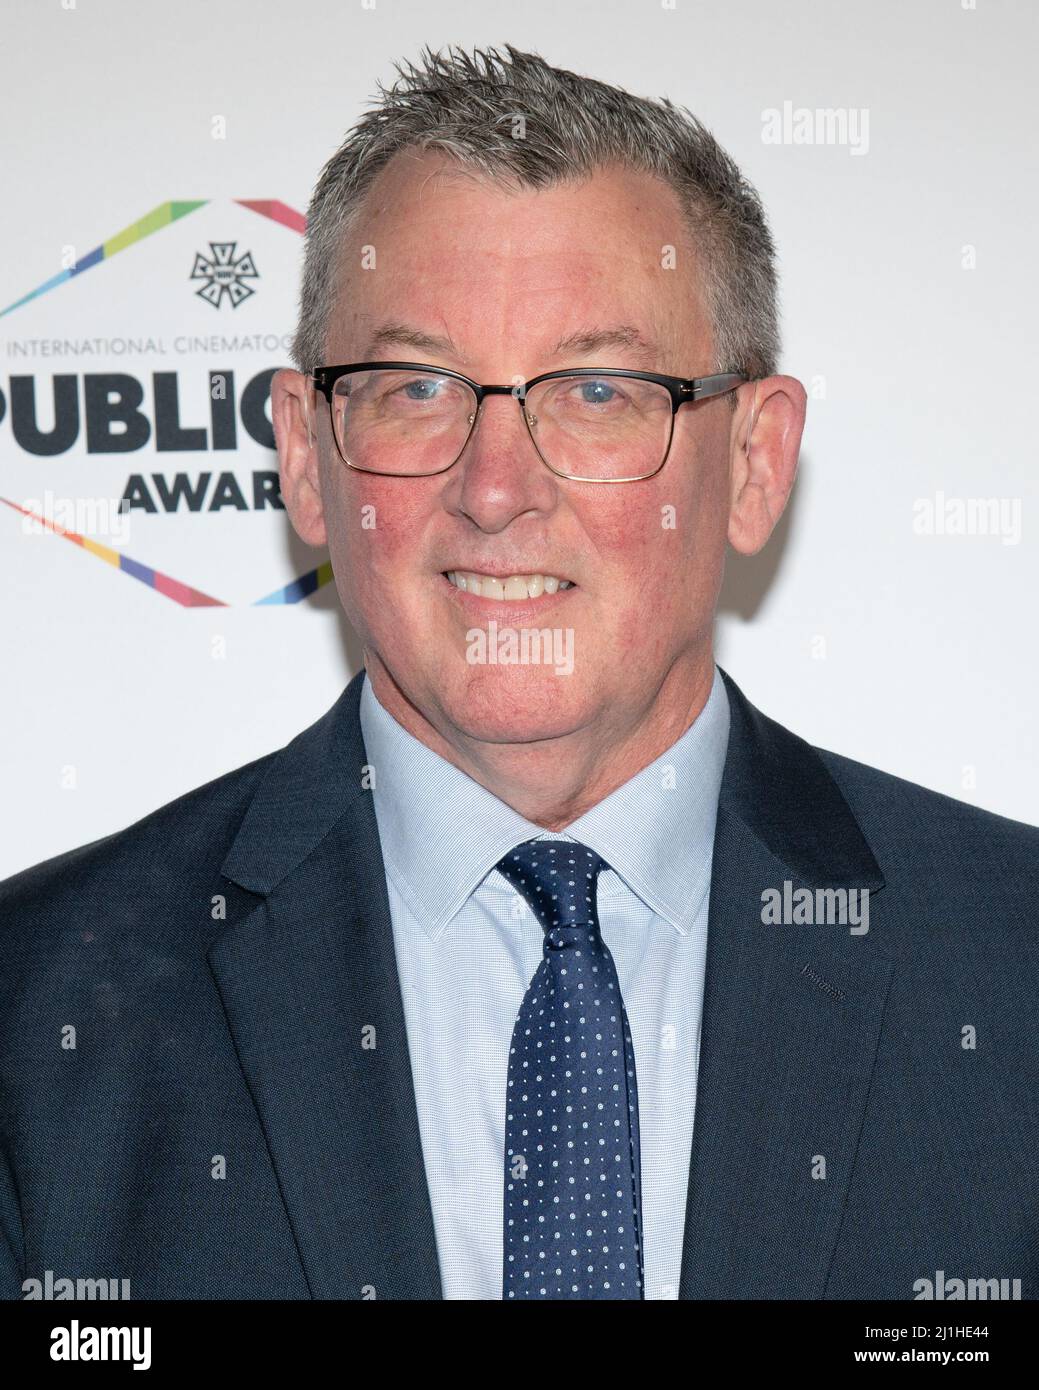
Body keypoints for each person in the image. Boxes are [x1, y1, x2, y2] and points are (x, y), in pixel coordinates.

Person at [1, 44, 1036, 1302]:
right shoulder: (36, 1009)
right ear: (301, 452)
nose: (494, 489)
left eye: (598, 390)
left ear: (756, 463)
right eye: (414, 387)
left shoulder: (1011, 965)